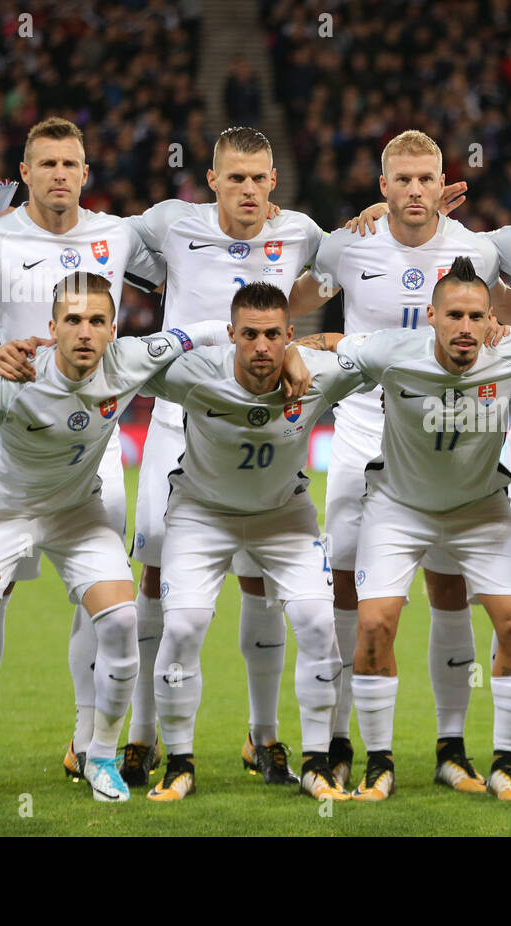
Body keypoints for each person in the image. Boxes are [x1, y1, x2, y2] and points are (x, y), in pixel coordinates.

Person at [298, 256, 511, 801]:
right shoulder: (392, 352)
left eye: (478, 316)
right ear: (431, 315)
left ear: (491, 318)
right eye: (455, 315)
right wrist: (289, 350)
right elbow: (333, 342)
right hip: (399, 507)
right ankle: (379, 764)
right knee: (375, 624)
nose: (467, 327)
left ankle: (505, 763)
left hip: (479, 509)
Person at [0, 273, 224, 806]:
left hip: (77, 514)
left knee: (120, 620)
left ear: (114, 329)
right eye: (73, 320)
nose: (86, 332)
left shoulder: (130, 359)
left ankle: (101, 756)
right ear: (51, 327)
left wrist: (282, 350)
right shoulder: (14, 374)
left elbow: (204, 330)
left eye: (97, 321)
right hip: (0, 514)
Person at [289, 130, 511, 793]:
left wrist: (501, 322)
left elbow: (504, 313)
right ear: (382, 185)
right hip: (363, 428)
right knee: (347, 585)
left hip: (448, 432)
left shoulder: (474, 250)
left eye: (426, 178)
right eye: (402, 179)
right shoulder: (348, 243)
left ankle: (451, 749)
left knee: (450, 586)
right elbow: (296, 302)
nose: (415, 190)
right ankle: (336, 742)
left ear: (444, 183)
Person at [0, 117, 164, 784]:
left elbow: (193, 261)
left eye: (70, 163)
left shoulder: (116, 234)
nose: (60, 175)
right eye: (47, 164)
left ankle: (86, 744)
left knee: (100, 604)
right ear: (26, 172)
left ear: (86, 171)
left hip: (93, 445)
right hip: (15, 434)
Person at [121, 126, 324, 788]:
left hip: (263, 425)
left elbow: (352, 256)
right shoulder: (170, 225)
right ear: (211, 179)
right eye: (235, 177)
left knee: (260, 576)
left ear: (274, 181)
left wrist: (382, 216)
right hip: (182, 422)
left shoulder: (301, 233)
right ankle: (144, 736)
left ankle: (263, 739)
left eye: (260, 177)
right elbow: (98, 241)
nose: (248, 189)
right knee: (155, 577)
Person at [136, 282, 369, 802]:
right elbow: (124, 357)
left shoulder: (319, 377)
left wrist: (320, 345)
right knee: (182, 628)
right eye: (248, 335)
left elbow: (383, 351)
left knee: (316, 623)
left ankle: (315, 763)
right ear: (229, 336)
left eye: (272, 336)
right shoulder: (195, 373)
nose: (261, 347)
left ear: (289, 335)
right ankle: (178, 763)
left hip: (283, 515)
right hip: (201, 513)